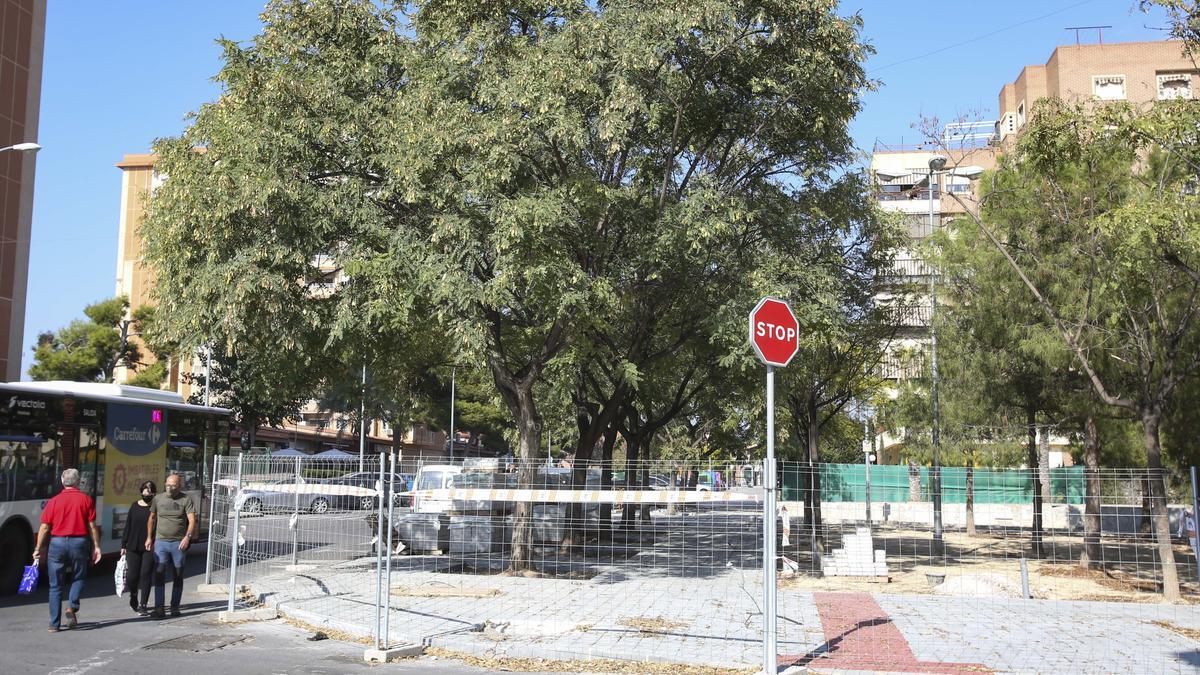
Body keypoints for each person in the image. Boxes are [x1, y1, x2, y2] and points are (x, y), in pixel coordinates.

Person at [32, 468, 101, 632]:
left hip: (57, 543)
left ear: (63, 482)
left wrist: (38, 548)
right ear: (77, 482)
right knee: (79, 577)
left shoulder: (54, 501)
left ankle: (53, 625)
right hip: (79, 542)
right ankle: (72, 606)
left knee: (55, 586)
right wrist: (96, 547)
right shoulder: (86, 500)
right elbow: (92, 526)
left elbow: (44, 527)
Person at [144, 473, 197, 618]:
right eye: (167, 485)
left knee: (178, 575)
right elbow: (152, 518)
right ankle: (159, 607)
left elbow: (192, 520)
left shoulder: (185, 499)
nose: (169, 488)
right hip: (161, 542)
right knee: (159, 573)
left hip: (178, 543)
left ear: (179, 485)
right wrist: (149, 537)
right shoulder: (158, 499)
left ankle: (175, 607)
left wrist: (187, 537)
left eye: (173, 485)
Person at [121, 480, 156, 614]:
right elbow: (128, 525)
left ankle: (143, 604)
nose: (147, 493)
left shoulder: (155, 507)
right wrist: (123, 544)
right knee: (132, 576)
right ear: (141, 491)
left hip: (149, 545)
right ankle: (134, 594)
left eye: (150, 490)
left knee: (145, 574)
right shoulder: (134, 506)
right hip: (133, 544)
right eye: (145, 490)